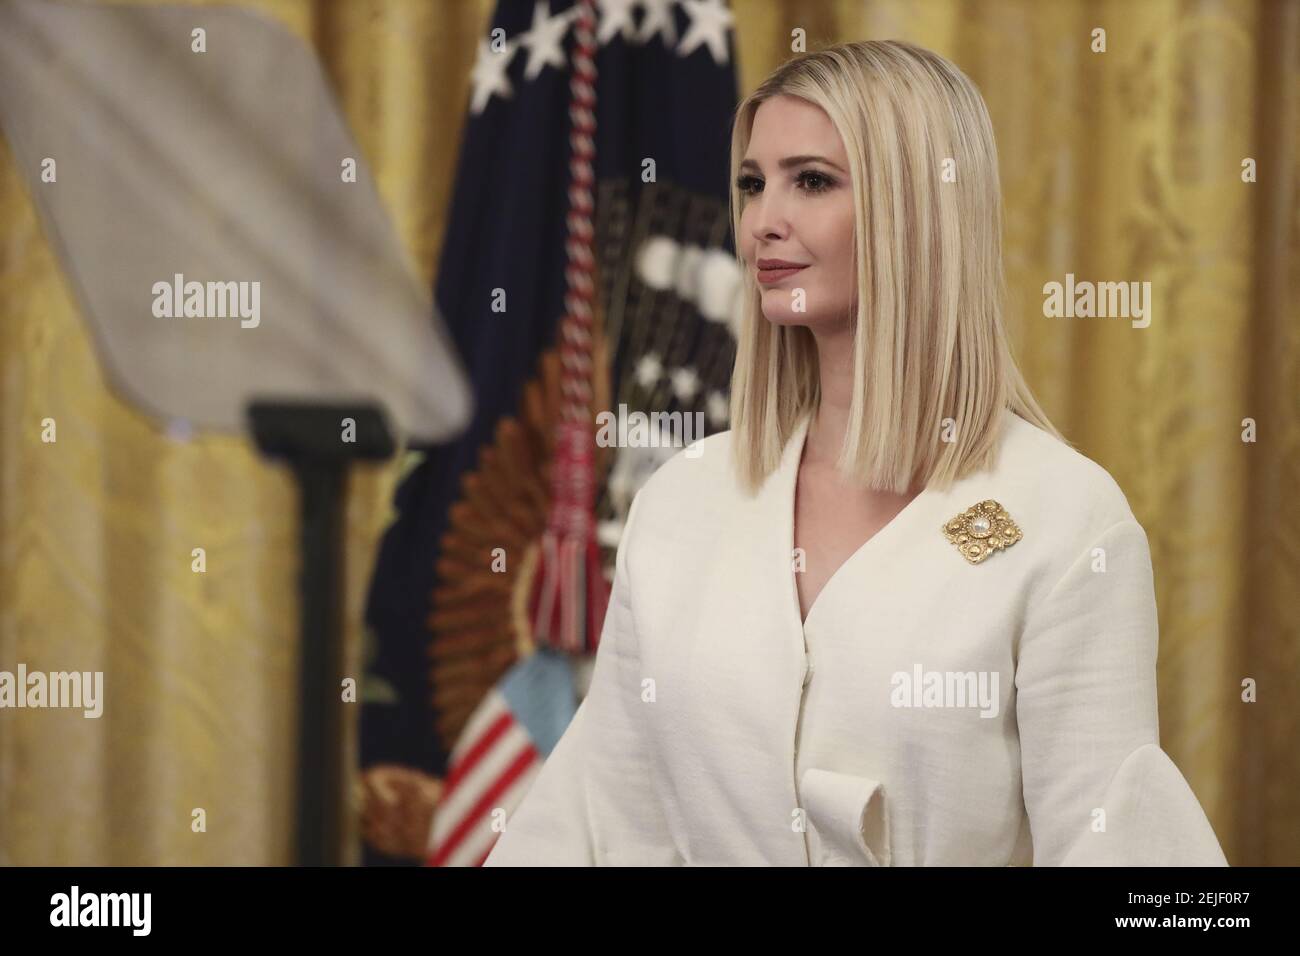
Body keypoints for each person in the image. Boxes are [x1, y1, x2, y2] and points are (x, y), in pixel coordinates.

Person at [483, 39, 1227, 866]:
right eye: (752, 183)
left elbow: (1120, 844)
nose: (764, 219)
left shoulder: (1065, 520)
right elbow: (590, 817)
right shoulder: (680, 502)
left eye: (812, 180)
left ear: (918, 206)